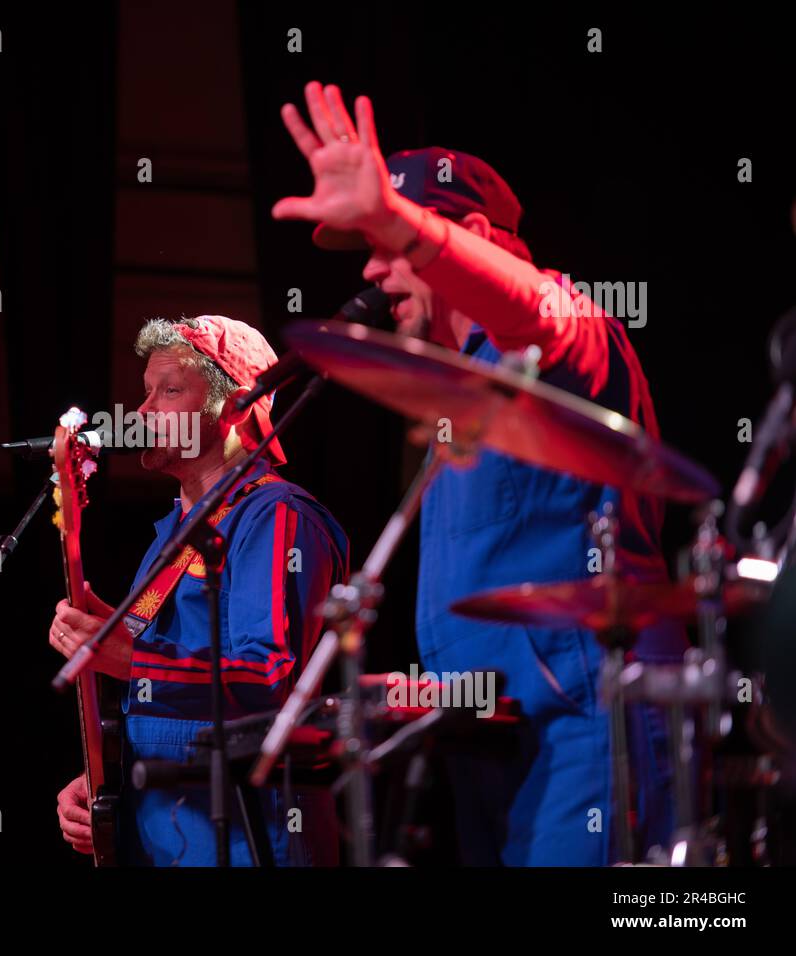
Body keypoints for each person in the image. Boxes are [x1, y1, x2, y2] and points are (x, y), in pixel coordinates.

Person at [273, 81, 682, 865]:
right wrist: (429, 690)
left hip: (586, 734)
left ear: (472, 235)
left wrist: (406, 227)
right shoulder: (457, 392)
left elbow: (534, 309)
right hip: (491, 743)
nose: (375, 275)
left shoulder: (560, 323)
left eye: (388, 248)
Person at [50, 314, 349, 865]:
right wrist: (107, 783)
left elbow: (270, 679)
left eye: (169, 391)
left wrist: (128, 657)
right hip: (163, 829)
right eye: (145, 393)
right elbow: (167, 698)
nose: (141, 414)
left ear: (233, 406)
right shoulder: (171, 534)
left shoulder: (276, 517)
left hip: (248, 835)